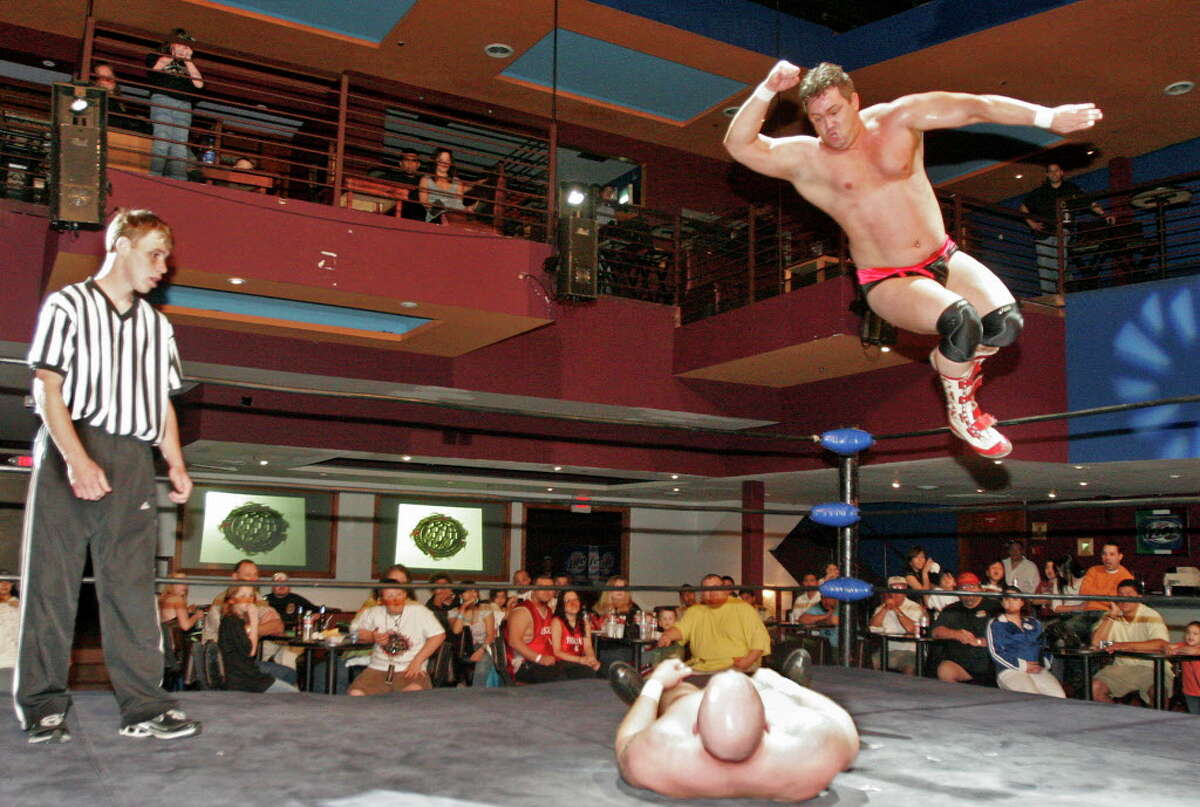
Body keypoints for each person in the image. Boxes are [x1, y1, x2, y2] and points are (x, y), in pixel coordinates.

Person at [725, 61, 1103, 458]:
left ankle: (952, 364)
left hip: (943, 255)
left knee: (1006, 325)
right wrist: (768, 89)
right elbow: (740, 145)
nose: (828, 126)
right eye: (817, 119)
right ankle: (963, 410)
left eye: (835, 112)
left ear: (854, 101)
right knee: (960, 321)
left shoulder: (900, 118)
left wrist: (1048, 117)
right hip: (888, 279)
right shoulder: (807, 159)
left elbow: (976, 107)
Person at [15, 209, 199, 743]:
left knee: (132, 587)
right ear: (120, 246)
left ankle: (144, 707)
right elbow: (48, 389)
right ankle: (43, 706)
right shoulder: (67, 305)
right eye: (155, 254)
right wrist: (76, 459)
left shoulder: (156, 326)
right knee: (52, 582)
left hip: (131, 455)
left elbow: (161, 400)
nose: (164, 266)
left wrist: (176, 462)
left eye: (166, 256)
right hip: (70, 443)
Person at [611, 658, 859, 801]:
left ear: (695, 728)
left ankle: (650, 695)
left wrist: (655, 683)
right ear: (767, 725)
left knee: (678, 697)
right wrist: (781, 684)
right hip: (784, 751)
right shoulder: (813, 757)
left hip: (683, 751)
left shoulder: (658, 754)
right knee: (774, 696)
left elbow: (627, 740)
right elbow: (841, 722)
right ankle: (780, 684)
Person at [347, 566, 445, 695]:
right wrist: (372, 636)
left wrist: (417, 662)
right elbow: (355, 632)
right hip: (377, 669)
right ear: (381, 599)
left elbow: (438, 635)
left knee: (413, 693)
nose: (395, 599)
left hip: (410, 669)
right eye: (390, 595)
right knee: (356, 694)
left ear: (405, 593)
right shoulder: (373, 612)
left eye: (399, 594)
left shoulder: (419, 611)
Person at [1020, 162, 1114, 293]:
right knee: (1044, 265)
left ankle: (1061, 289)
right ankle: (1049, 296)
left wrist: (1104, 214)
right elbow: (1023, 207)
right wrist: (1032, 223)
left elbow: (1089, 203)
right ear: (1047, 174)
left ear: (1061, 172)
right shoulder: (1040, 192)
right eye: (1051, 171)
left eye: (1056, 170)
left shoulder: (1070, 189)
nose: (1054, 173)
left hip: (1061, 230)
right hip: (1043, 233)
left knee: (1059, 262)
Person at [655, 573, 771, 673]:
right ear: (702, 593)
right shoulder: (694, 611)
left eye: (715, 588)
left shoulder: (742, 608)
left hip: (735, 668)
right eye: (706, 589)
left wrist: (747, 661)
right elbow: (681, 629)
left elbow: (759, 638)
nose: (711, 592)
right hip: (700, 667)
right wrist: (667, 635)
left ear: (725, 590)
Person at [1090, 579, 1172, 705]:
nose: (1124, 599)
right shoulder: (1111, 616)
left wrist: (1121, 646)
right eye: (1121, 596)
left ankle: (1158, 724)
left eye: (1129, 595)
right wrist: (1111, 618)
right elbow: (1097, 644)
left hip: (1152, 666)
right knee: (1094, 688)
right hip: (1122, 667)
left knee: (1158, 693)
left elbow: (1160, 644)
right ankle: (1117, 721)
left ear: (1139, 597)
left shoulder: (1150, 615)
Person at [146, 28, 203, 180]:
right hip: (162, 99)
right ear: (172, 43)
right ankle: (155, 175)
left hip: (184, 103)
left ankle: (178, 178)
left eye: (186, 46)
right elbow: (155, 69)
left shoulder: (189, 65)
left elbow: (199, 84)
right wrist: (173, 55)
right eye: (181, 44)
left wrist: (188, 61)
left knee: (180, 143)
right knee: (162, 138)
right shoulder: (156, 56)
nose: (183, 49)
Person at [986, 586, 1064, 697]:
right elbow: (996, 653)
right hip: (1010, 670)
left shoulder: (1034, 623)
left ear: (1022, 602)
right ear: (1002, 603)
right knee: (1031, 697)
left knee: (1059, 697)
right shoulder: (996, 624)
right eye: (1007, 598)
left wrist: (1044, 664)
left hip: (1037, 669)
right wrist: (1024, 666)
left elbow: (1045, 645)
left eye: (1015, 598)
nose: (1010, 601)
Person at [217, 586, 298, 693]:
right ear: (232, 600)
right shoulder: (232, 622)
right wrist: (254, 620)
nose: (248, 600)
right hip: (243, 679)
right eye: (243, 596)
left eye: (251, 596)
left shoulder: (236, 620)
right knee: (293, 695)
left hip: (247, 674)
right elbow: (251, 652)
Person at [506, 574, 576, 683]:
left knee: (583, 671)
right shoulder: (522, 611)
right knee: (561, 679)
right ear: (533, 590)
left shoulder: (549, 611)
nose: (546, 591)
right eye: (542, 588)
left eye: (550, 588)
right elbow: (514, 641)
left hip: (549, 661)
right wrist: (539, 658)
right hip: (525, 664)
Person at [930, 572, 994, 685]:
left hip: (989, 662)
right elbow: (935, 632)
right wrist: (955, 634)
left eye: (971, 586)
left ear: (980, 588)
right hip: (960, 664)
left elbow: (1008, 634)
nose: (967, 590)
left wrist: (981, 641)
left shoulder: (994, 607)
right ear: (958, 591)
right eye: (963, 587)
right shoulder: (951, 609)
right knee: (944, 670)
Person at [868, 576, 927, 675]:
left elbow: (911, 629)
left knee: (909, 668)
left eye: (900, 588)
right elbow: (872, 627)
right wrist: (885, 609)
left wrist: (896, 609)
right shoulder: (881, 608)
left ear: (905, 590)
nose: (897, 592)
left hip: (910, 651)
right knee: (870, 663)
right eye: (893, 588)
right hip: (887, 650)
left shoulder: (915, 607)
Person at [449, 582, 497, 688]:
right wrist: (463, 608)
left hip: (484, 645)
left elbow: (491, 634)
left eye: (474, 591)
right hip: (463, 649)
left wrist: (481, 651)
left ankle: (476, 694)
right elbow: (456, 631)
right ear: (460, 595)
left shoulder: (485, 608)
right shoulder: (453, 612)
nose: (472, 594)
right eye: (468, 591)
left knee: (482, 664)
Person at [549, 590, 601, 677]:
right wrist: (580, 660)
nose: (573, 603)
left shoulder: (584, 622)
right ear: (562, 605)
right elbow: (557, 652)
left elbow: (588, 647)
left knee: (603, 671)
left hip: (579, 662)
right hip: (561, 663)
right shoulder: (557, 621)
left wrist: (592, 659)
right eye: (568, 600)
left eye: (576, 599)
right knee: (588, 673)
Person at [419, 147, 476, 224]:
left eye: (447, 160)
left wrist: (467, 209)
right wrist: (442, 205)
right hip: (435, 218)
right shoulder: (426, 179)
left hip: (454, 218)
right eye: (441, 160)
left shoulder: (457, 181)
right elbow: (424, 202)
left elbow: (459, 204)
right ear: (435, 161)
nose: (444, 163)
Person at [91, 61, 150, 134]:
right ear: (96, 81)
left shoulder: (115, 100)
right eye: (103, 77)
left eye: (110, 75)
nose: (109, 79)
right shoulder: (101, 100)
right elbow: (116, 122)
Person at [370, 148, 426, 220]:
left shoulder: (423, 182)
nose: (410, 163)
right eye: (406, 160)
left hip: (415, 217)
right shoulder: (391, 177)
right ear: (400, 163)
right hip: (394, 215)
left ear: (418, 165)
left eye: (413, 160)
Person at [1078, 542, 1133, 612]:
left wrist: (1093, 594)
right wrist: (1107, 595)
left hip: (1110, 614)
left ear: (1120, 557)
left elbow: (1118, 601)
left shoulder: (1126, 577)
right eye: (1104, 554)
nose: (1107, 558)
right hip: (1087, 613)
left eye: (1112, 554)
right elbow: (1083, 592)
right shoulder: (1093, 570)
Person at [1168, 621, 1200, 714]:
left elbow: (1192, 651)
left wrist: (1177, 650)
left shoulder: (1186, 648)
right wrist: (1168, 649)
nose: (1191, 636)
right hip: (1190, 692)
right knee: (1194, 716)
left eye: (1195, 634)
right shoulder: (1183, 646)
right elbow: (1168, 647)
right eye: (1188, 632)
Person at [0, 575, 19, 694]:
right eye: (1, 582)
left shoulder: (21, 605)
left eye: (8, 582)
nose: (4, 585)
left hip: (12, 662)